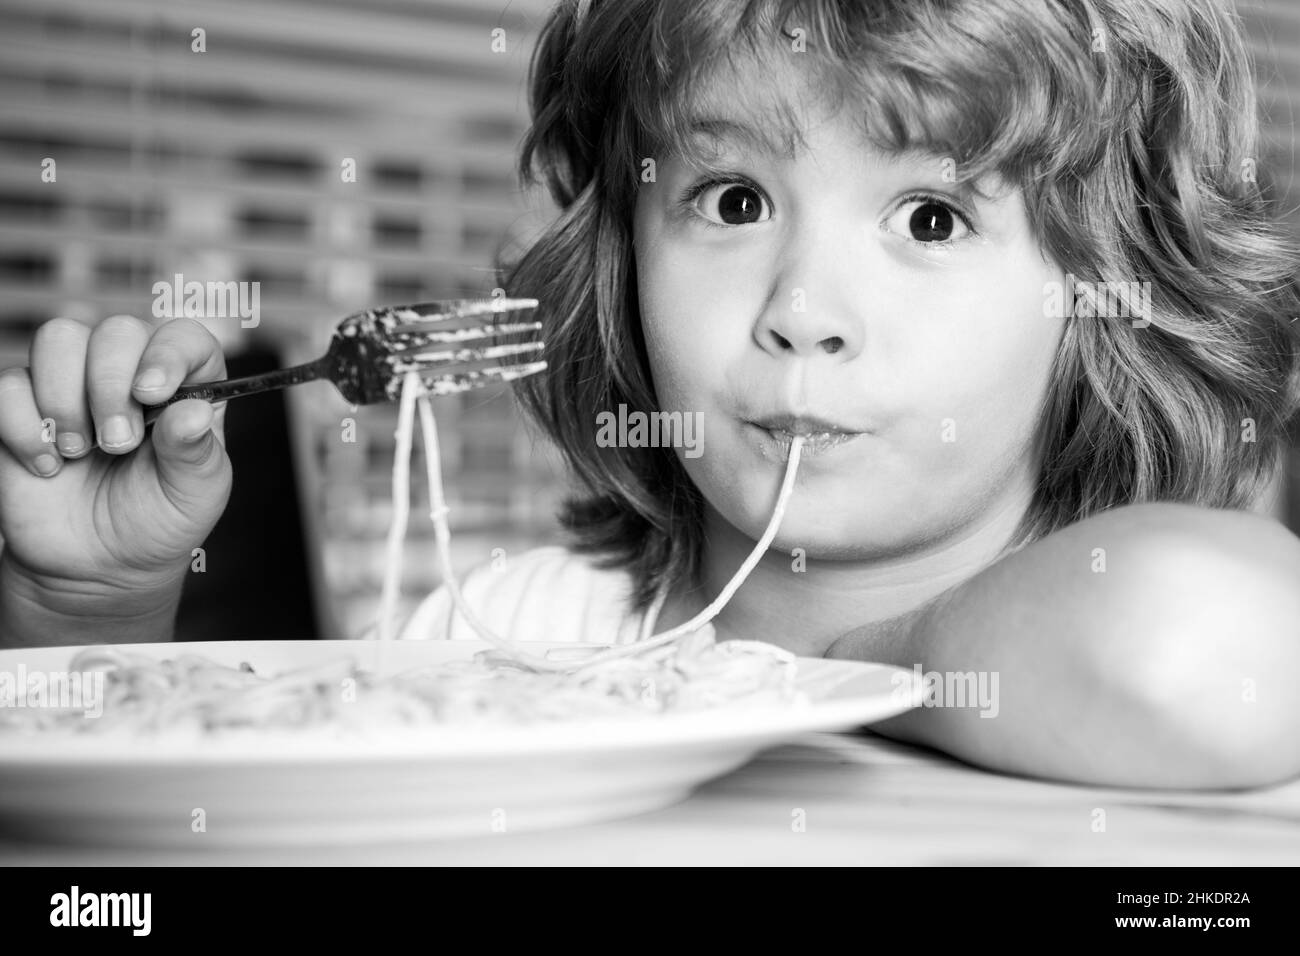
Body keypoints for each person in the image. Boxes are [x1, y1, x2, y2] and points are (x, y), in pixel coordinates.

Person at [3, 0, 1298, 789]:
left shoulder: (1111, 609)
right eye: (733, 201)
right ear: (619, 265)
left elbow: (1195, 646)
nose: (801, 309)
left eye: (933, 215)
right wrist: (89, 613)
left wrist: (818, 674)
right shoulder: (509, 633)